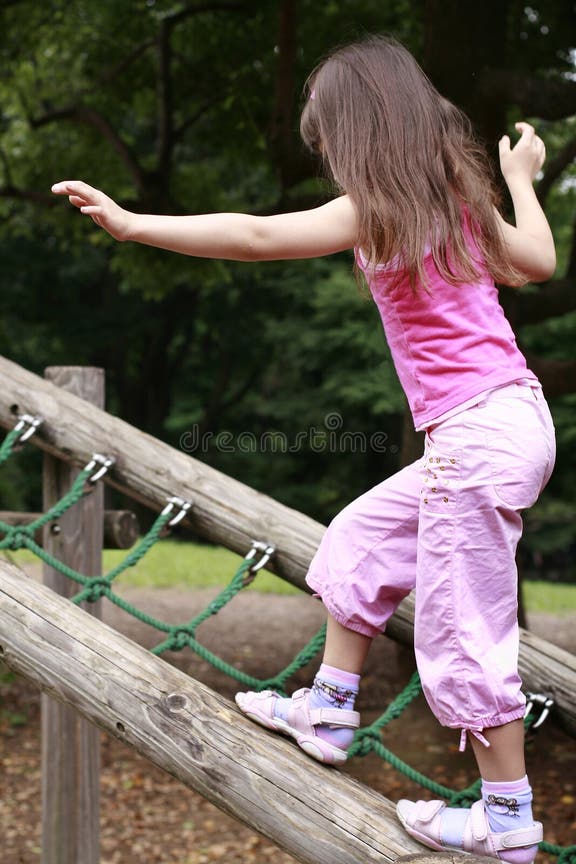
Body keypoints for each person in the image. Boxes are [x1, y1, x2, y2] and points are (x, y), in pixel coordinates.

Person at [52, 33, 556, 864]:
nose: (327, 160)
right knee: (359, 538)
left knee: (465, 626)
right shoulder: (457, 195)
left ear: (359, 134)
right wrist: (520, 181)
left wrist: (135, 224)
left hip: (478, 435)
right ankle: (329, 706)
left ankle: (506, 817)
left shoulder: (381, 207)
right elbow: (538, 258)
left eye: (328, 142)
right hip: (504, 425)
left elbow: (254, 235)